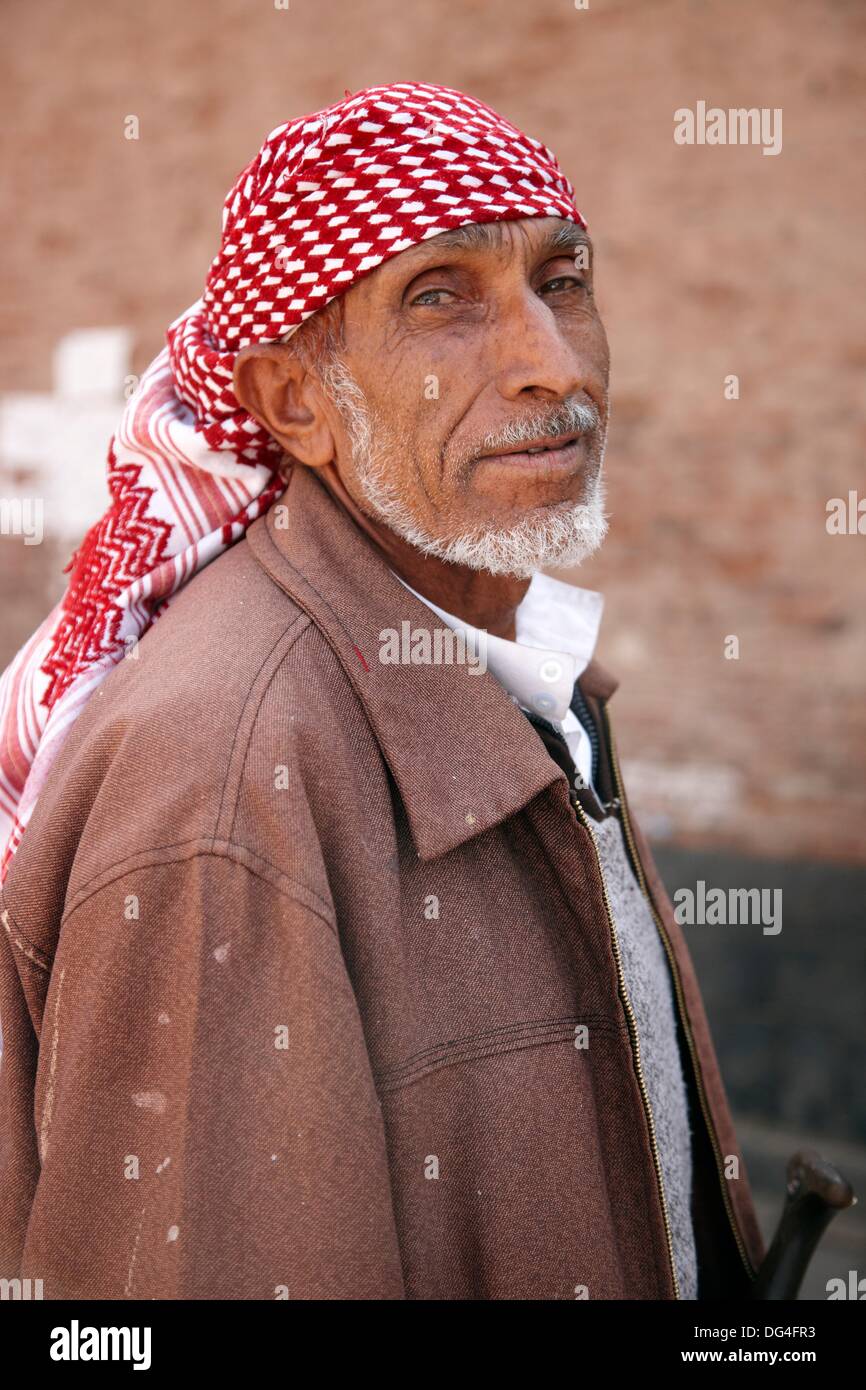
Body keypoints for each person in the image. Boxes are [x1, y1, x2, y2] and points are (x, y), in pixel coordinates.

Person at [0, 81, 764, 1299]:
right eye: (439, 299)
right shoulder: (225, 775)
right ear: (296, 404)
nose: (549, 365)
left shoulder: (524, 657)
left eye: (560, 281)